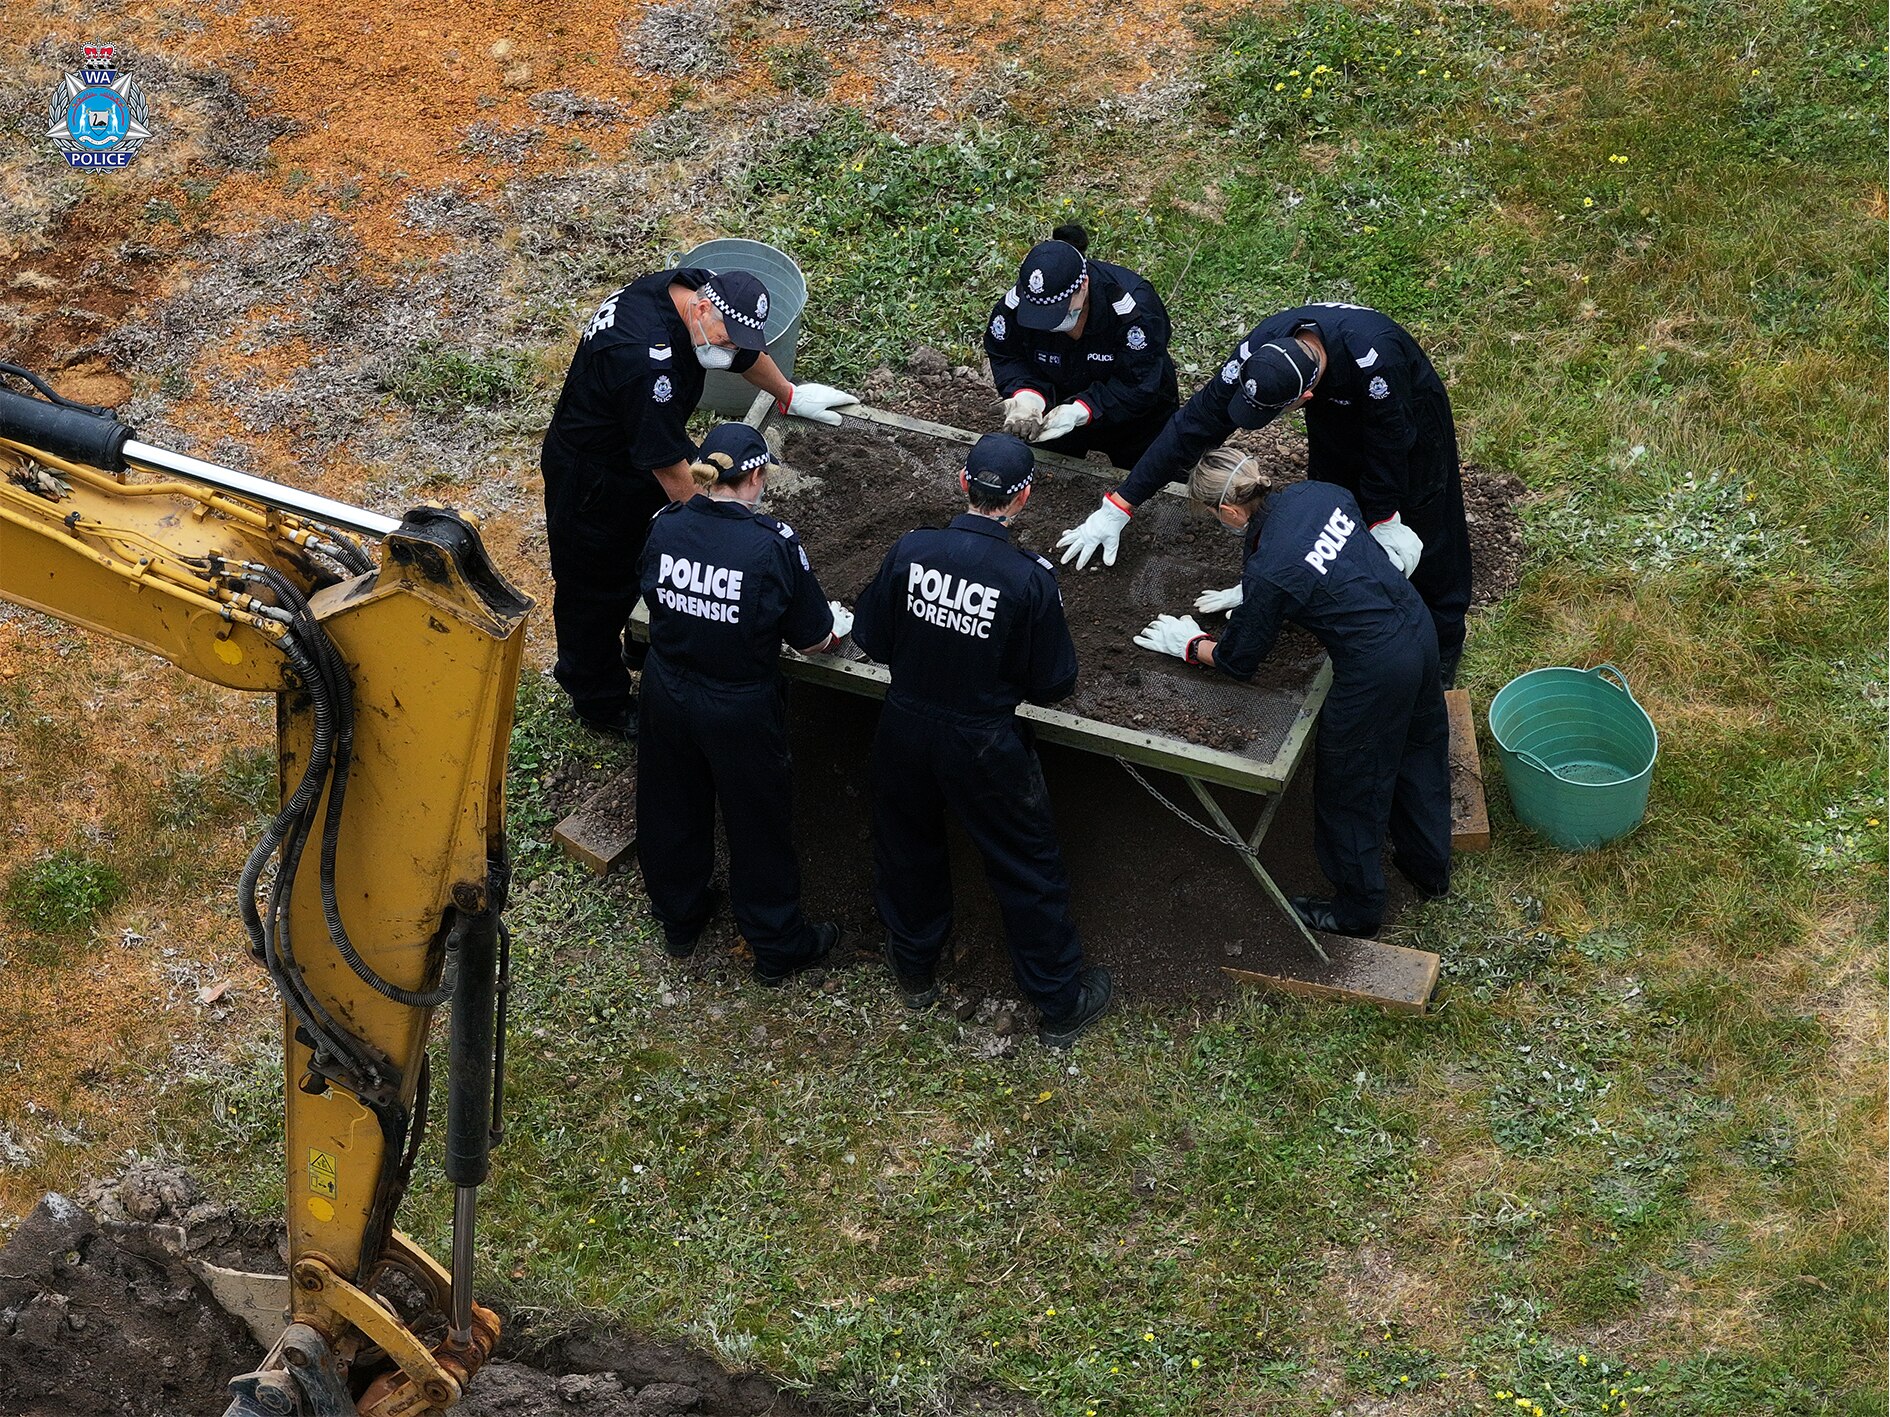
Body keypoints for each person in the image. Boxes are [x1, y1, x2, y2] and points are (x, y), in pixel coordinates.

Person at [852, 434, 1113, 1048]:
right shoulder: (1028, 581)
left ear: (964, 484)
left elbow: (873, 638)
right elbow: (1054, 683)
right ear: (1023, 497)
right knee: (1025, 864)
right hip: (983, 744)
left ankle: (914, 969)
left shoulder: (910, 550)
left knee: (906, 846)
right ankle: (1058, 1001)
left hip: (904, 727)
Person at [1058, 302, 1474, 687]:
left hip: (1409, 421)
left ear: (1304, 397)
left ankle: (1442, 640)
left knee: (1427, 518)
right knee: (1331, 492)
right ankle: (1318, 590)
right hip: (1336, 412)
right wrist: (1121, 503)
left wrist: (1384, 519)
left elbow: (1390, 448)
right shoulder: (1264, 347)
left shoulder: (1376, 359)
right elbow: (1195, 423)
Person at [1133, 450, 1451, 938]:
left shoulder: (1270, 569)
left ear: (1231, 511)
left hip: (1374, 671)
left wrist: (1191, 644)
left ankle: (1358, 910)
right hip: (1417, 626)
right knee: (1421, 747)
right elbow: (1334, 557)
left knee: (1350, 789)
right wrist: (1262, 590)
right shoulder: (1318, 493)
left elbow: (1239, 660)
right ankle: (1429, 867)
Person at [542, 263, 857, 737]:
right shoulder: (646, 363)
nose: (729, 351)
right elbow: (671, 471)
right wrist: (725, 536)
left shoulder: (691, 287)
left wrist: (788, 394)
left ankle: (641, 642)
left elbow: (740, 350)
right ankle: (597, 700)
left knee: (649, 549)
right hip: (595, 478)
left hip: (641, 442)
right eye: (726, 340)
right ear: (703, 310)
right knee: (594, 590)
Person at [635, 423, 850, 986]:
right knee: (757, 822)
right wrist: (837, 626)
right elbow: (812, 639)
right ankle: (777, 944)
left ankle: (679, 917)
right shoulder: (772, 544)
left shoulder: (666, 525)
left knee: (670, 801)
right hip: (738, 703)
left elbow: (653, 593)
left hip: (666, 686)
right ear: (754, 475)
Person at [984, 224, 1179, 469]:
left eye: (1056, 311)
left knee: (1152, 482)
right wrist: (1027, 396)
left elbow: (1139, 381)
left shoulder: (1133, 309)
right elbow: (1006, 353)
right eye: (1038, 314)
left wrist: (1081, 410)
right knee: (1045, 475)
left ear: (1083, 286)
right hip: (1054, 413)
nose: (1048, 324)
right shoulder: (1015, 306)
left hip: (1135, 417)